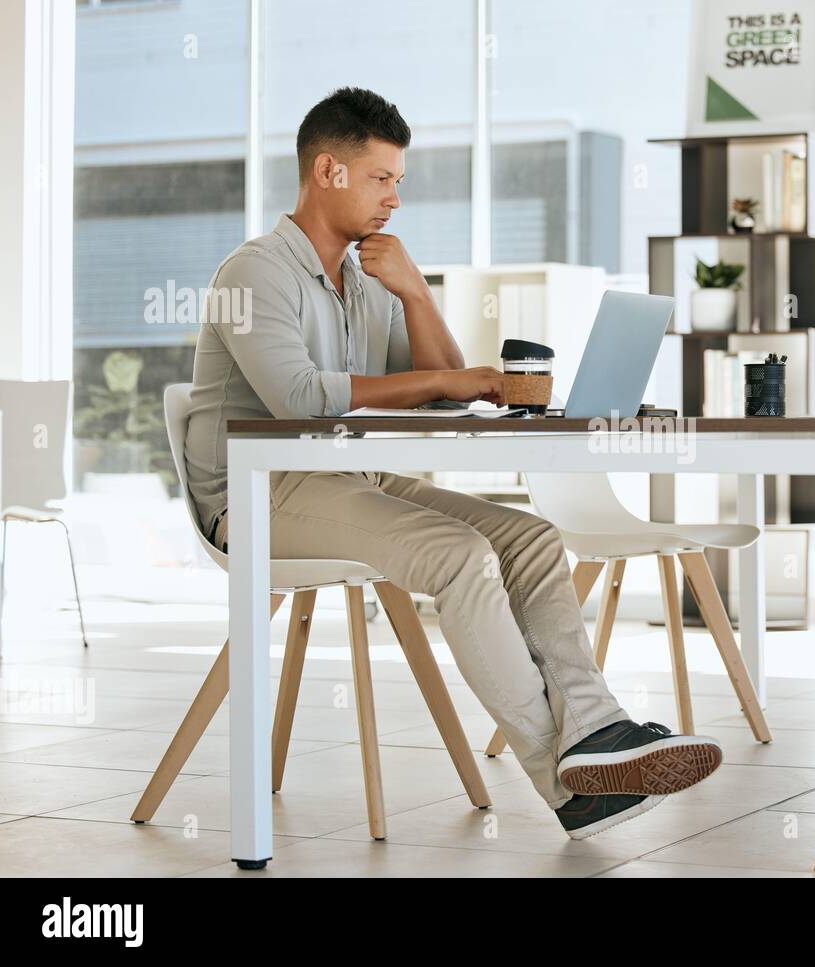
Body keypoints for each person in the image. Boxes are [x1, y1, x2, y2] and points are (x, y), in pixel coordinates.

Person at [183, 87, 721, 839]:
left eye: (400, 181)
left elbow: (441, 393)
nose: (395, 199)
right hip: (258, 496)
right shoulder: (255, 273)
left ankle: (597, 728)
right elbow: (304, 398)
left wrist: (413, 295)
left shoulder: (367, 278)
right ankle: (568, 780)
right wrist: (448, 378)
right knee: (460, 553)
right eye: (382, 179)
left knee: (531, 538)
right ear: (328, 171)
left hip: (345, 482)